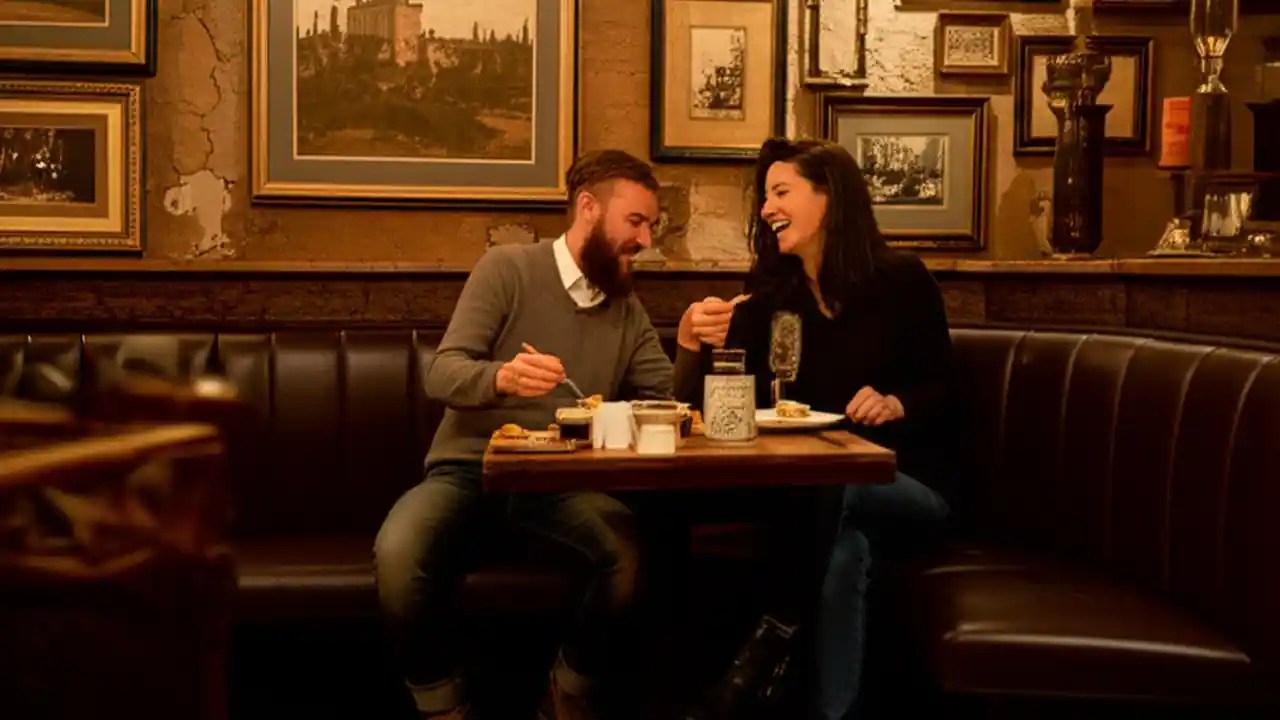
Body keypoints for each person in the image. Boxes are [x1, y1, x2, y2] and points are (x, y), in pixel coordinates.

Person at [374, 149, 673, 720]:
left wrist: (691, 344)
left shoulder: (625, 305)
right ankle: (444, 708)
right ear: (588, 208)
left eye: (650, 226)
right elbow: (441, 373)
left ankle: (567, 696)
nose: (646, 239)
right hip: (470, 469)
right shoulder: (508, 268)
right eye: (636, 221)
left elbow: (665, 399)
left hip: (561, 482)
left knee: (627, 555)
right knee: (397, 553)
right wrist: (502, 378)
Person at [674, 137, 957, 719]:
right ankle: (833, 713)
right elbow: (731, 403)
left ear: (830, 198)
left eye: (781, 192)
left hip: (906, 485)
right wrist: (697, 344)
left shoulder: (902, 280)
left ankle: (764, 647)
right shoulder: (771, 293)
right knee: (845, 553)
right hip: (813, 494)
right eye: (765, 196)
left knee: (832, 485)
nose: (766, 209)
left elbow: (945, 388)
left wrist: (897, 402)